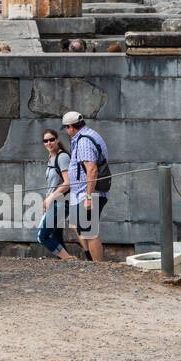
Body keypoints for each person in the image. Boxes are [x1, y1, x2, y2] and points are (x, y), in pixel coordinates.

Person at [63, 111, 109, 261]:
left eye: (66, 128)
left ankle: (99, 269)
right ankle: (91, 260)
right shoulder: (88, 135)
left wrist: (88, 197)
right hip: (81, 192)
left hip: (88, 192)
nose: (65, 131)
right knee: (77, 224)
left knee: (89, 231)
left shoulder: (83, 141)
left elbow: (92, 170)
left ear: (71, 127)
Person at [37, 129, 74, 260]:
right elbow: (51, 185)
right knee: (55, 236)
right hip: (52, 202)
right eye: (46, 141)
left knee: (42, 236)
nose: (49, 143)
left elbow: (68, 183)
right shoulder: (51, 157)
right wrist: (47, 200)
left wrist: (52, 197)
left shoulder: (62, 157)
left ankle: (68, 260)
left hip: (61, 202)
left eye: (52, 139)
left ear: (57, 140)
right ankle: (66, 264)